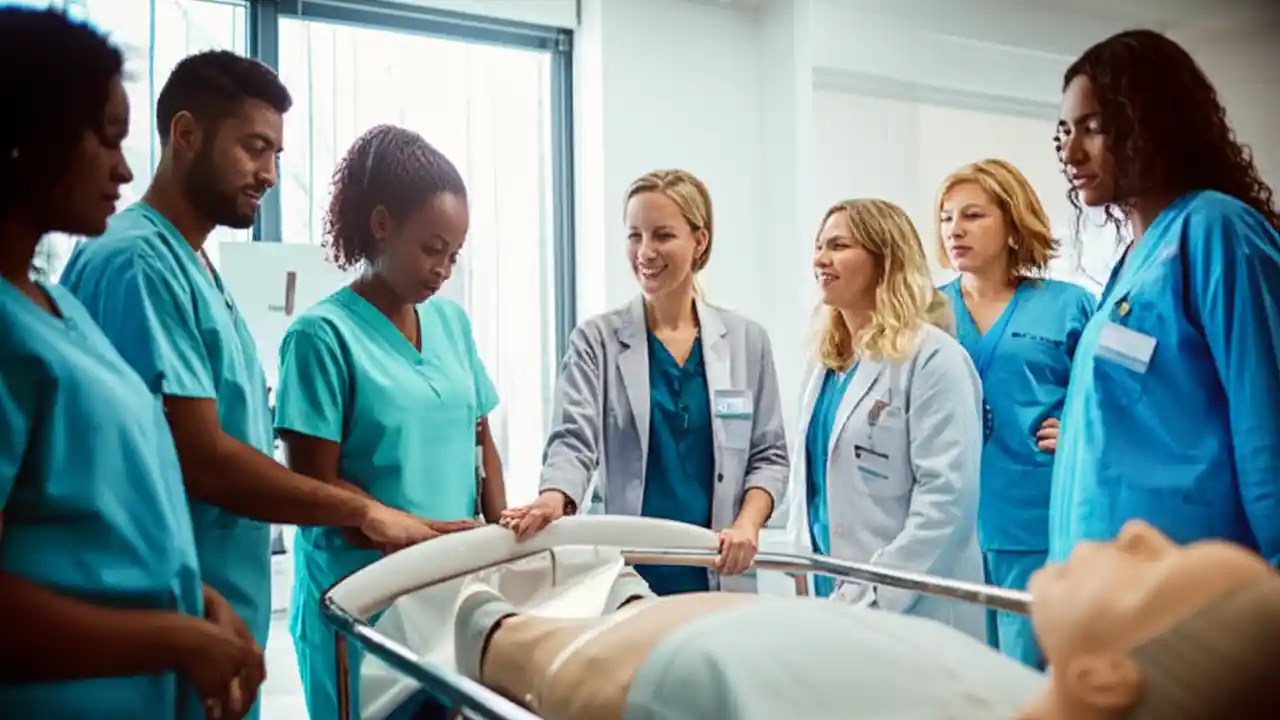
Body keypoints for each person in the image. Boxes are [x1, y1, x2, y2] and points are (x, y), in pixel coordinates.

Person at [57, 50, 441, 712]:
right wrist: (365, 510)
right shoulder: (137, 263)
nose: (268, 174)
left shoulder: (195, 268)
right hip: (157, 630)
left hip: (212, 616)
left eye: (276, 155)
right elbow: (200, 457)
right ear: (186, 135)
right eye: (253, 149)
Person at [0, 9, 263, 719]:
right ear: (26, 134)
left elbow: (113, 514)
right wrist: (172, 637)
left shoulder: (61, 314)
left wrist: (196, 601)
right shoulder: (30, 321)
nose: (123, 166)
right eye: (108, 139)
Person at [452, 519, 1280, 720]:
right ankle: (617, 596)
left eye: (1159, 569)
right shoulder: (1013, 691)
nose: (1138, 532)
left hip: (670, 660)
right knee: (626, 597)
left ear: (1105, 679)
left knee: (494, 631)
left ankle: (486, 626)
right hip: (715, 623)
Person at [273, 124, 499, 720]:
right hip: (359, 603)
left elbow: (481, 437)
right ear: (380, 225)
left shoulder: (452, 325)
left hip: (451, 594)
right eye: (431, 249)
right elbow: (314, 490)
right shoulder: (320, 338)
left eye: (453, 254)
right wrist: (407, 529)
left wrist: (507, 536)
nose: (443, 269)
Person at [1051, 29, 1280, 566]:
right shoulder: (1129, 266)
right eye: (1063, 131)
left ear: (1147, 127)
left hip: (1190, 595)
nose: (1071, 151)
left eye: (1094, 128)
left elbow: (1266, 426)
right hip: (1105, 596)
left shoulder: (1216, 232)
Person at [501, 169, 789, 594]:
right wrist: (554, 497)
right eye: (634, 236)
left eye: (662, 235)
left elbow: (769, 456)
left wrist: (748, 524)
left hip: (720, 567)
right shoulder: (596, 341)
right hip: (630, 570)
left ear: (700, 241)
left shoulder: (747, 341)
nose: (645, 252)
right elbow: (573, 440)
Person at [786, 198, 985, 639]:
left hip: (911, 609)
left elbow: (946, 503)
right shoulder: (825, 364)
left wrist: (875, 594)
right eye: (819, 246)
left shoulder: (934, 359)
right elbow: (813, 490)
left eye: (838, 246)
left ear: (883, 259)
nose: (820, 259)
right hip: (829, 593)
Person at [935, 158, 1096, 668]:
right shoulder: (925, 312)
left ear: (1011, 224)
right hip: (948, 523)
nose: (954, 229)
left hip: (1035, 517)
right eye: (945, 217)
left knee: (1029, 677)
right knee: (958, 678)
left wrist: (1077, 428)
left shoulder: (1070, 305)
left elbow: (1108, 397)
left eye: (973, 215)